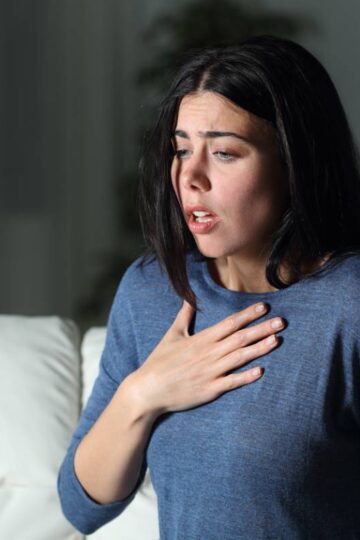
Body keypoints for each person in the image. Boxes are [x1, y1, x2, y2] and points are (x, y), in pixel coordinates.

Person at [57, 35, 360, 539]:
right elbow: (82, 507)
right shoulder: (152, 289)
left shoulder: (348, 305)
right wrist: (144, 393)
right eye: (180, 149)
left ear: (294, 162)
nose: (190, 176)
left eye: (223, 152)